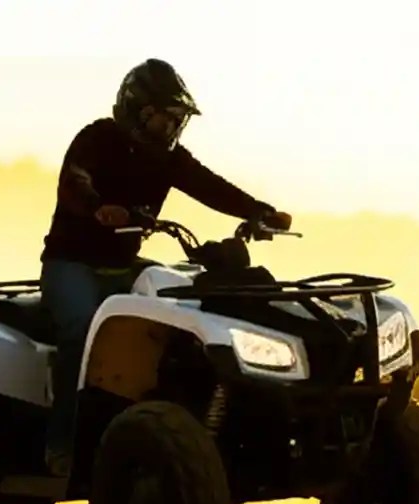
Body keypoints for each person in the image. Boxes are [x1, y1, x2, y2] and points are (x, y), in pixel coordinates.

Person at [39, 58, 293, 477]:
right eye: (166, 118)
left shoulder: (169, 159)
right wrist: (98, 207)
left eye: (178, 121)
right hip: (71, 264)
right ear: (138, 111)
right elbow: (74, 181)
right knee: (80, 330)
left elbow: (209, 185)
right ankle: (62, 445)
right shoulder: (97, 138)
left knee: (181, 310)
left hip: (124, 267)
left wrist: (258, 211)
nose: (172, 128)